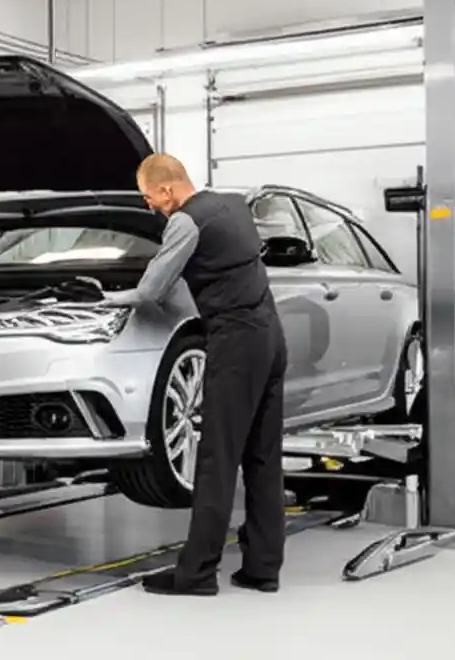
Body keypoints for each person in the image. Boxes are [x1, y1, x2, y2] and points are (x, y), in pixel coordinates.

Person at [103, 153, 288, 596]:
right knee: (263, 455)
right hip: (270, 336)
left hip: (236, 341)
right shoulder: (233, 204)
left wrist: (108, 300)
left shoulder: (185, 223)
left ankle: (197, 573)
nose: (151, 207)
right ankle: (263, 567)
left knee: (217, 457)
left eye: (149, 198)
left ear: (167, 190)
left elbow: (152, 289)